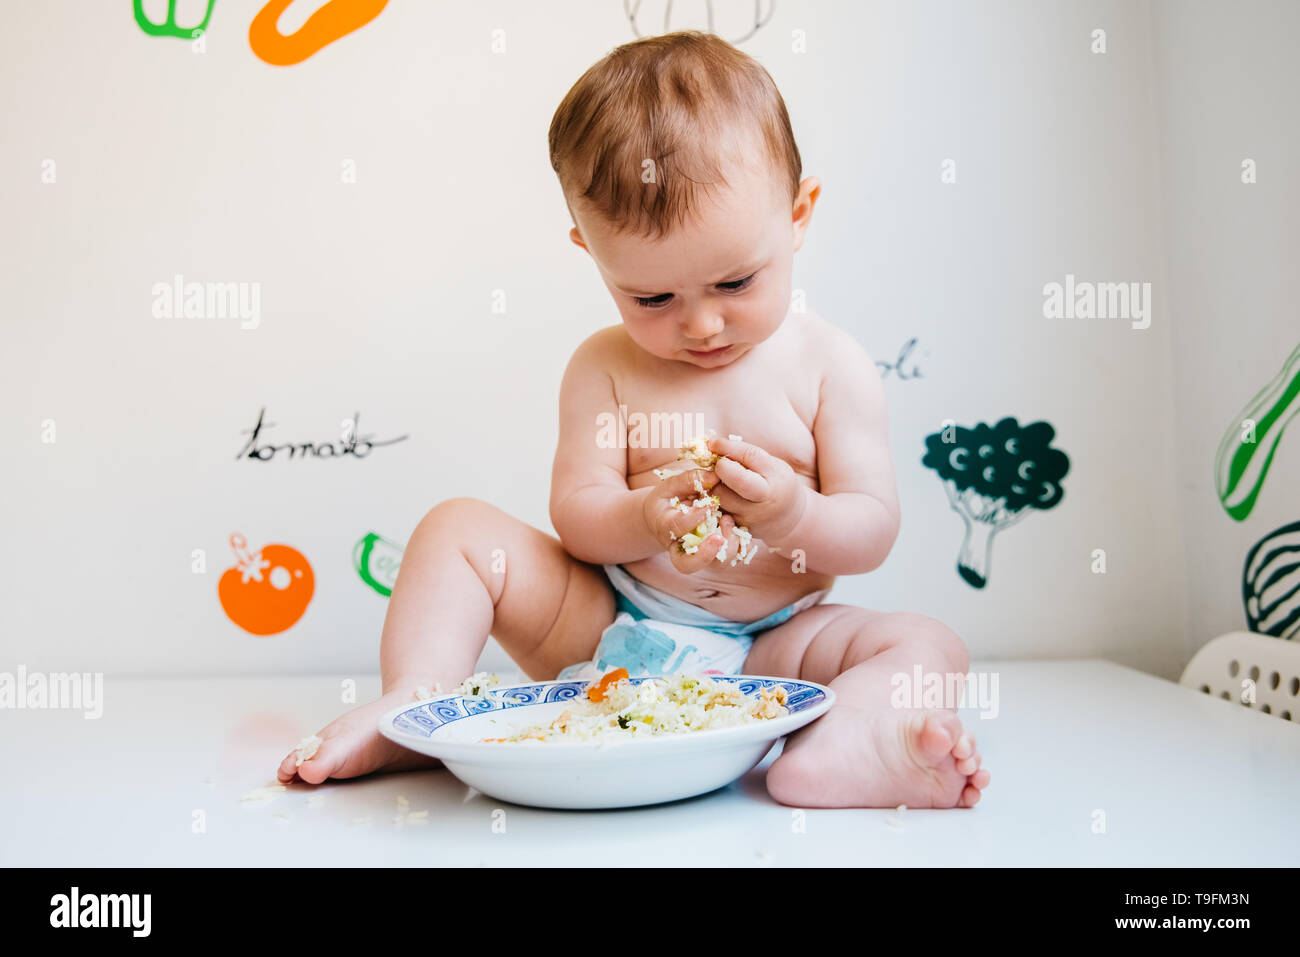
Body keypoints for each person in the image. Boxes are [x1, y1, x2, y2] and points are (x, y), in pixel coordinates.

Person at [278, 30, 989, 808]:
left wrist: (795, 511)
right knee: (455, 530)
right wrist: (646, 518)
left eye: (735, 281)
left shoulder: (832, 366)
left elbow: (871, 529)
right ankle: (417, 704)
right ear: (592, 254)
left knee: (926, 644)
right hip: (604, 626)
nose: (703, 326)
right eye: (652, 298)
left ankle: (855, 742)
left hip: (772, 650)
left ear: (798, 214)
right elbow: (579, 520)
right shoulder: (603, 367)